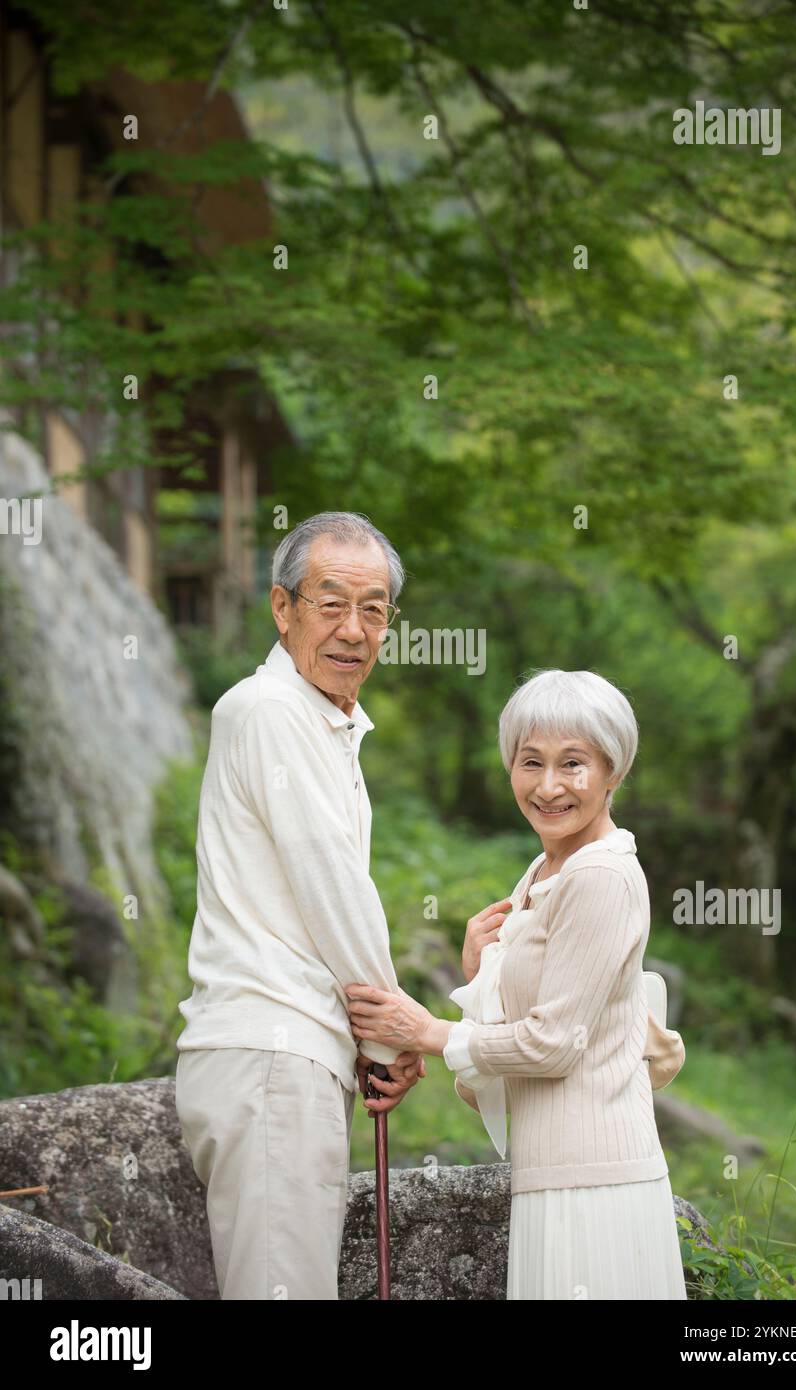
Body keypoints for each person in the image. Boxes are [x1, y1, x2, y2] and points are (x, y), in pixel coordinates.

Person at [347, 668, 688, 1300]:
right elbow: (499, 1078)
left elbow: (553, 1045)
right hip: (551, 1176)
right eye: (531, 762)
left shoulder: (601, 877)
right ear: (509, 767)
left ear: (614, 771)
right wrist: (484, 975)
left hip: (596, 1186)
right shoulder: (542, 871)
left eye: (574, 763)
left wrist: (427, 1032)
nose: (549, 785)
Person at [174, 511, 423, 1300]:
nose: (354, 629)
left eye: (374, 609)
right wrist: (394, 1033)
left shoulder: (319, 723)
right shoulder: (271, 711)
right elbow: (335, 892)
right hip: (271, 1055)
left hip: (282, 1057)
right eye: (331, 603)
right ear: (282, 609)